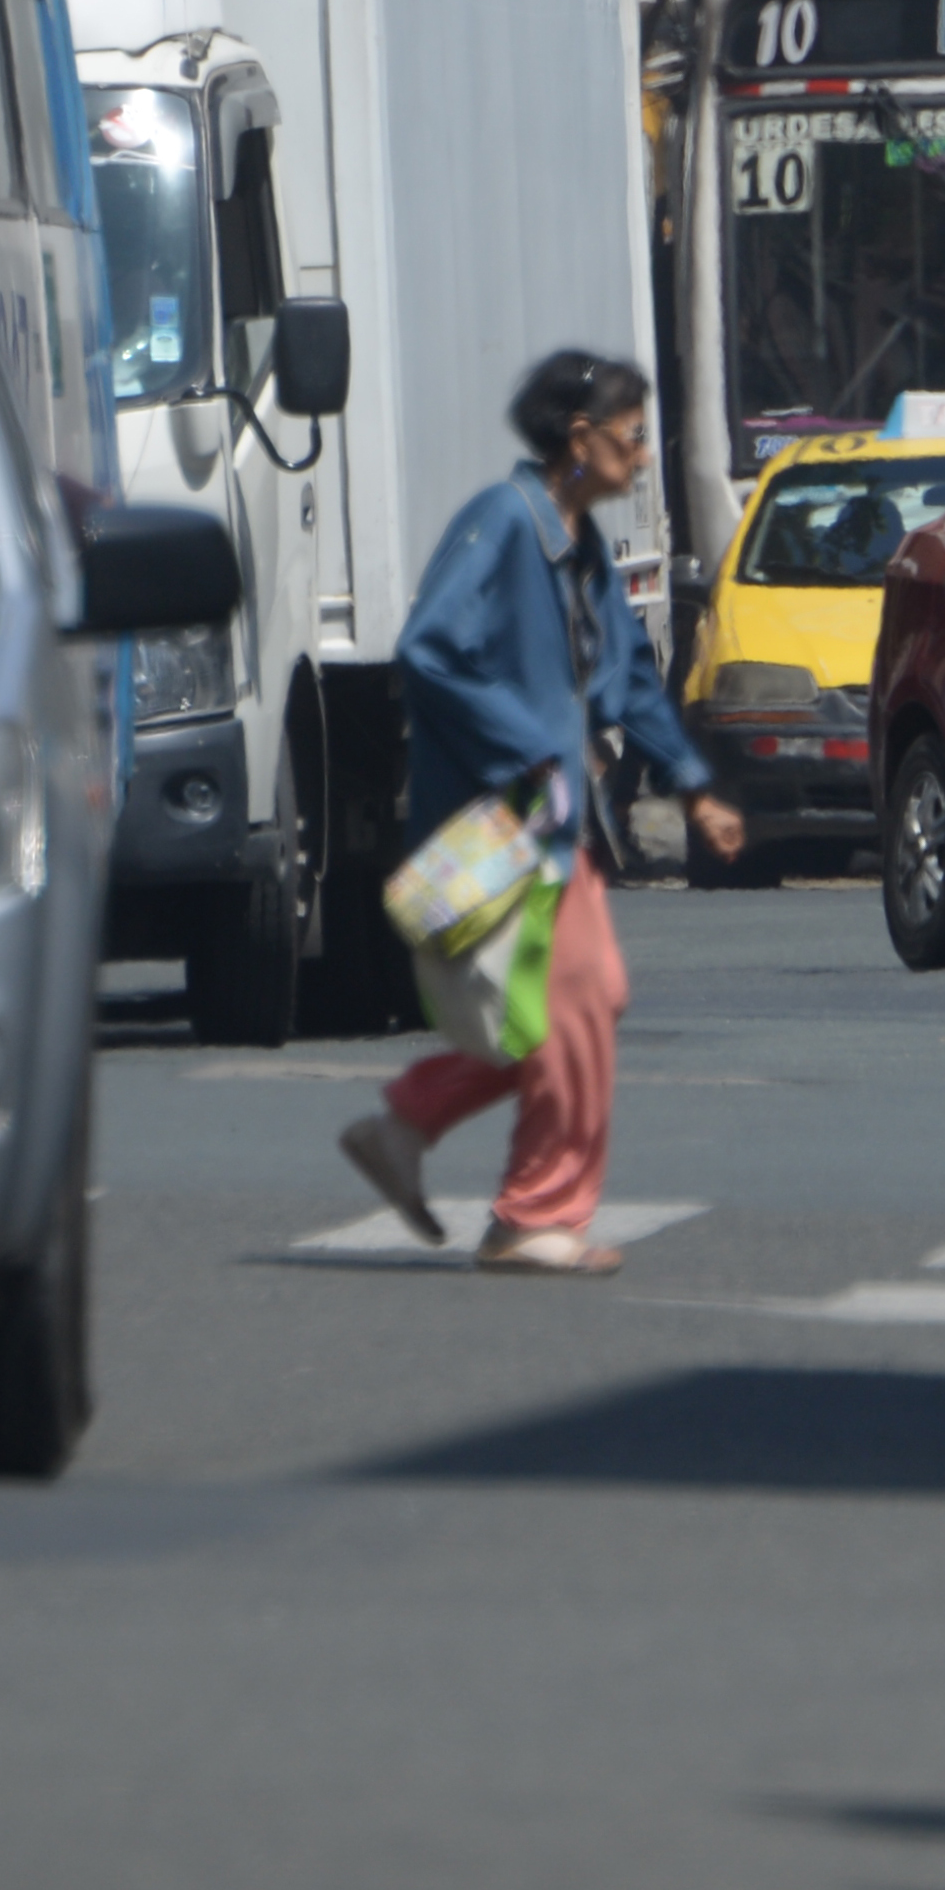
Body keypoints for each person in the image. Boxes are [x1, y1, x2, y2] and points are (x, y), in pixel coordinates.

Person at [331, 352, 746, 1274]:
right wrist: (527, 744)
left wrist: (692, 783)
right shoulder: (503, 525)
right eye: (634, 438)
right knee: (573, 1010)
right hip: (503, 825)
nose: (643, 458)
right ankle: (531, 1214)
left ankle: (410, 1125)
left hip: (554, 825)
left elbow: (629, 681)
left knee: (584, 1003)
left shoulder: (582, 547)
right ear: (579, 438)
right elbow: (429, 652)